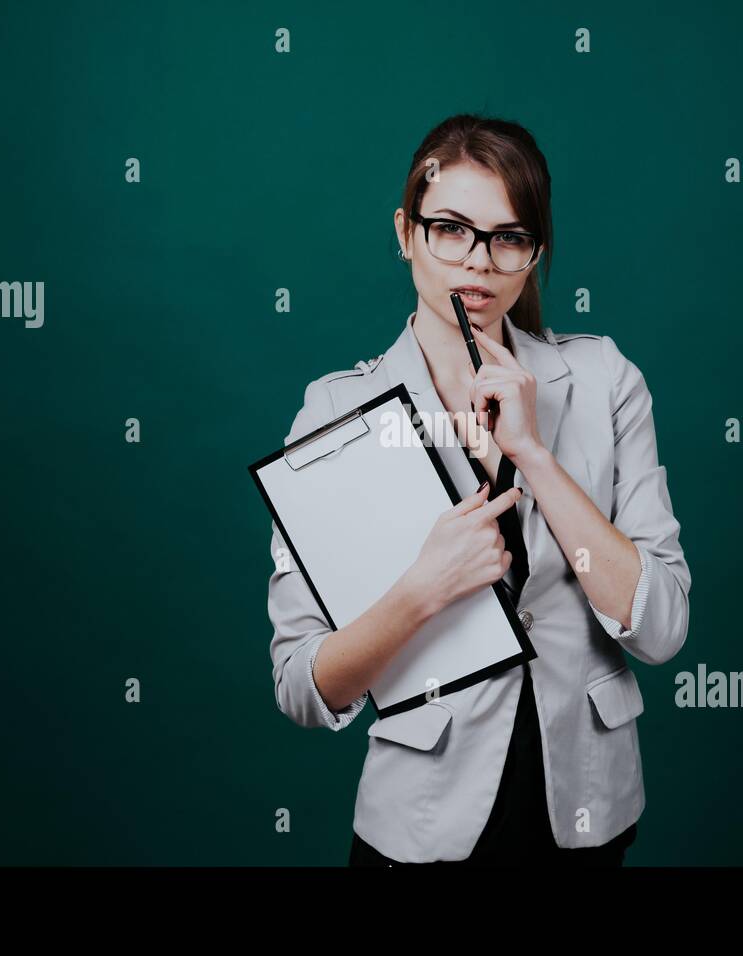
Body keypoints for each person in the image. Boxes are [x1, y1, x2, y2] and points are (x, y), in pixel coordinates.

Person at [267, 114, 691, 865]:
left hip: (589, 815)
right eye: (451, 230)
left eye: (509, 238)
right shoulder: (336, 414)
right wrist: (421, 590)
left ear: (534, 253)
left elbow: (661, 629)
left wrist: (534, 454)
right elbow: (304, 686)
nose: (479, 263)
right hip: (422, 825)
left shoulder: (604, 382)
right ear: (406, 233)